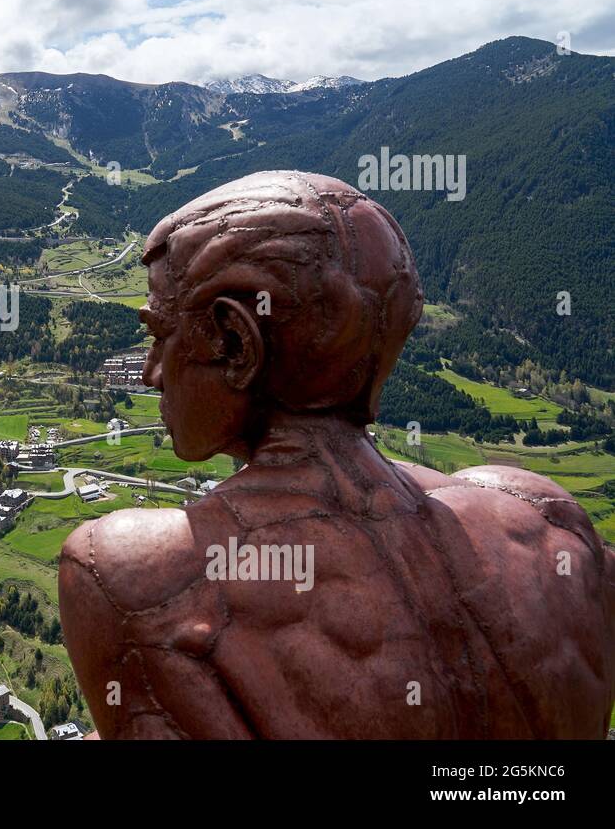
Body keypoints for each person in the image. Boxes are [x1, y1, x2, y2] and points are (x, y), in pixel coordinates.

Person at [58, 171, 615, 738]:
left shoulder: (138, 579)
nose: (151, 372)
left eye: (159, 334)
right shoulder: (553, 524)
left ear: (235, 342)